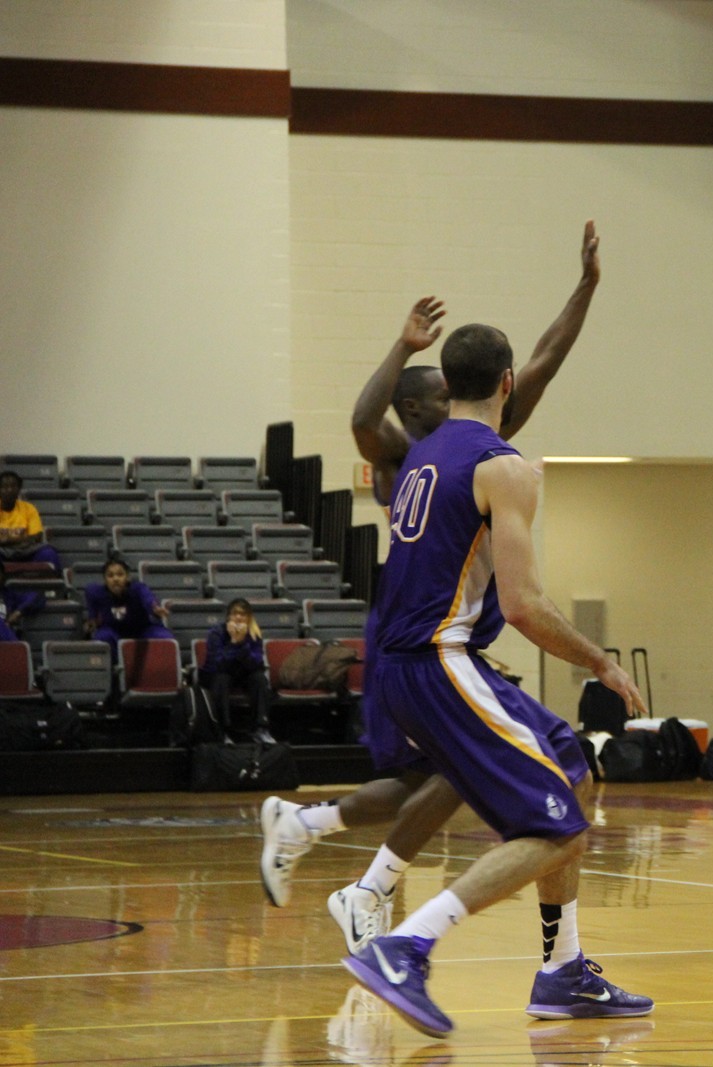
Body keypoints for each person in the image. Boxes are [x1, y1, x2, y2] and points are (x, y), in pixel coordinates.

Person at [259, 223, 604, 951]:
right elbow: (360, 417)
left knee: (448, 774)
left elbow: (543, 358)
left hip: (441, 641)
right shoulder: (406, 454)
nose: (449, 395)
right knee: (453, 774)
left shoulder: (472, 442)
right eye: (435, 391)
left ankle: (319, 838)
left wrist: (585, 289)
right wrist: (403, 346)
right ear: (420, 407)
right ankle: (370, 889)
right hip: (415, 638)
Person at [342, 320, 651, 1037]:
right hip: (441, 662)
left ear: (447, 385)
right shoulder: (502, 465)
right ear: (507, 383)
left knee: (569, 769)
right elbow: (522, 605)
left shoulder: (420, 454)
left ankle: (563, 967)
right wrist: (600, 659)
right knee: (562, 829)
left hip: (409, 666)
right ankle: (405, 944)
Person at [201, 598, 275, 744]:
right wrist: (234, 643)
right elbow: (218, 664)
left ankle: (260, 729)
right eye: (235, 613)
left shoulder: (254, 634)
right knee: (222, 679)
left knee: (259, 678)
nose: (239, 617)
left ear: (249, 618)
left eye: (243, 614)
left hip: (243, 673)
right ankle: (222, 731)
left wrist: (242, 644)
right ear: (229, 616)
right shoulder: (216, 633)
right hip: (218, 674)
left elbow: (256, 663)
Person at [84, 559, 175, 649]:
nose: (115, 579)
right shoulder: (95, 592)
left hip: (141, 630)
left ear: (127, 577)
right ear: (105, 580)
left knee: (165, 638)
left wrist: (154, 608)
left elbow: (148, 599)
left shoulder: (138, 589)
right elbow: (93, 615)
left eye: (120, 574)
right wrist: (92, 620)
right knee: (102, 638)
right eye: (110, 575)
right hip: (112, 631)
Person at [0, 472, 63, 572]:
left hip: (26, 551)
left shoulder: (29, 508)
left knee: (49, 553)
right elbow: (28, 538)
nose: (10, 490)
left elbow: (36, 537)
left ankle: (52, 587)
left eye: (13, 486)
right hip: (3, 552)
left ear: (19, 489)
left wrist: (6, 539)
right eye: (5, 487)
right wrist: (22, 539)